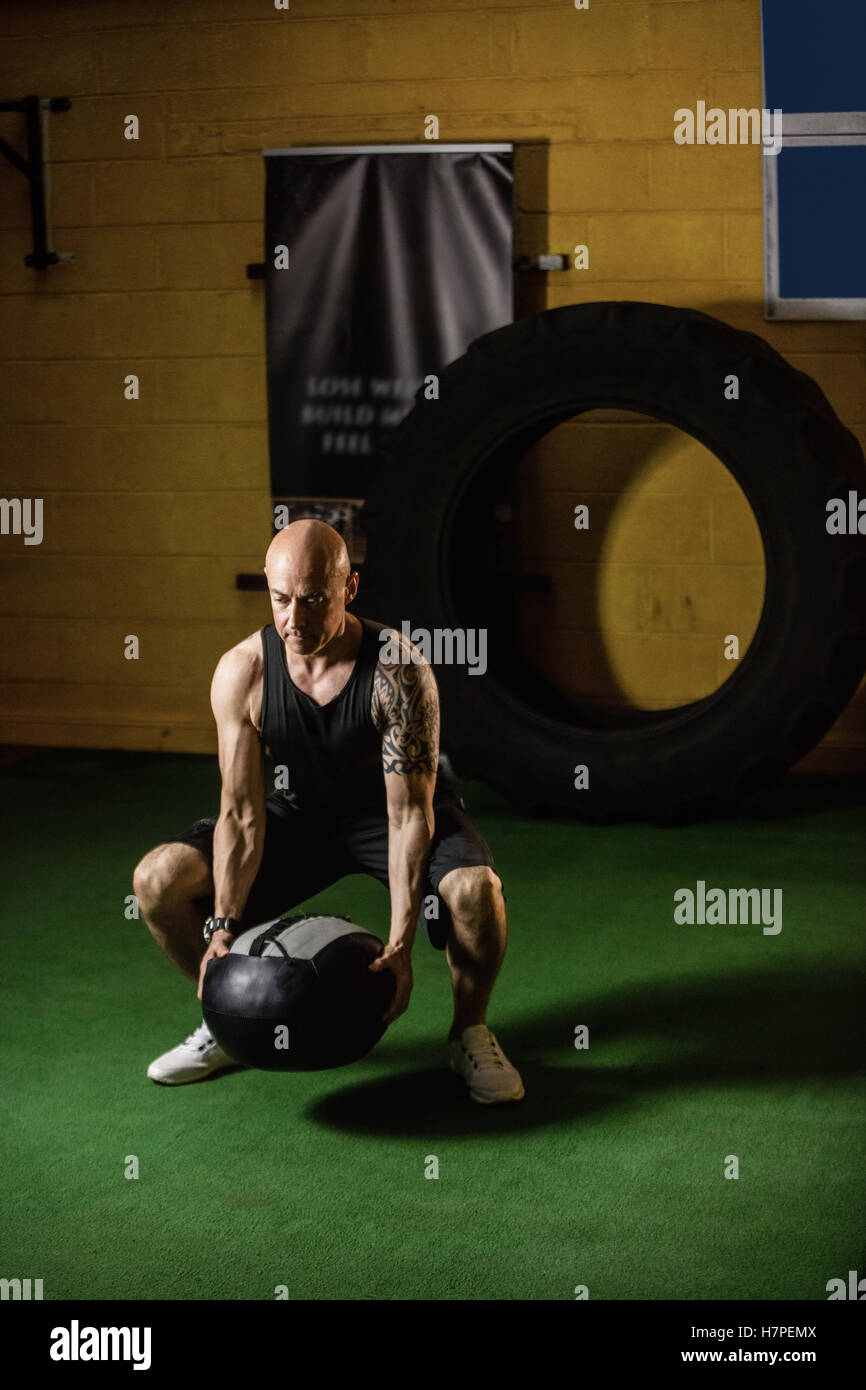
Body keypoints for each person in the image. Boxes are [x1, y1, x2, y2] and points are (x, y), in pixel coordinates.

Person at [133, 519, 524, 1104]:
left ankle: (469, 1031)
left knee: (476, 892)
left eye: (314, 600)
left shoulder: (398, 670)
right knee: (158, 880)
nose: (295, 619)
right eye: (281, 600)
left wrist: (400, 942)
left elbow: (408, 817)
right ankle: (230, 1018)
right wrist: (223, 926)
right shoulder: (244, 671)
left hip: (392, 814)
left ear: (349, 589)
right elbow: (241, 814)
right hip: (304, 814)